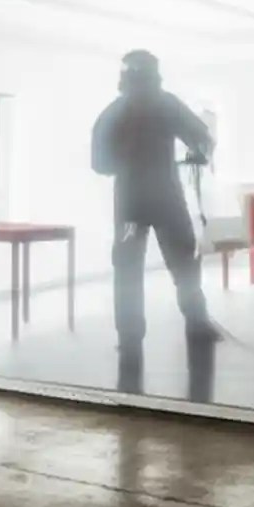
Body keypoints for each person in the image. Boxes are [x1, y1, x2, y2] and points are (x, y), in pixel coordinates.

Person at [92, 50, 222, 352]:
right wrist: (198, 154)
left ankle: (130, 335)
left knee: (130, 267)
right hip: (162, 201)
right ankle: (196, 322)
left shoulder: (115, 112)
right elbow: (202, 140)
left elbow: (100, 163)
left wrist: (124, 161)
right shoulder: (166, 105)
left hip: (132, 205)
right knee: (180, 263)